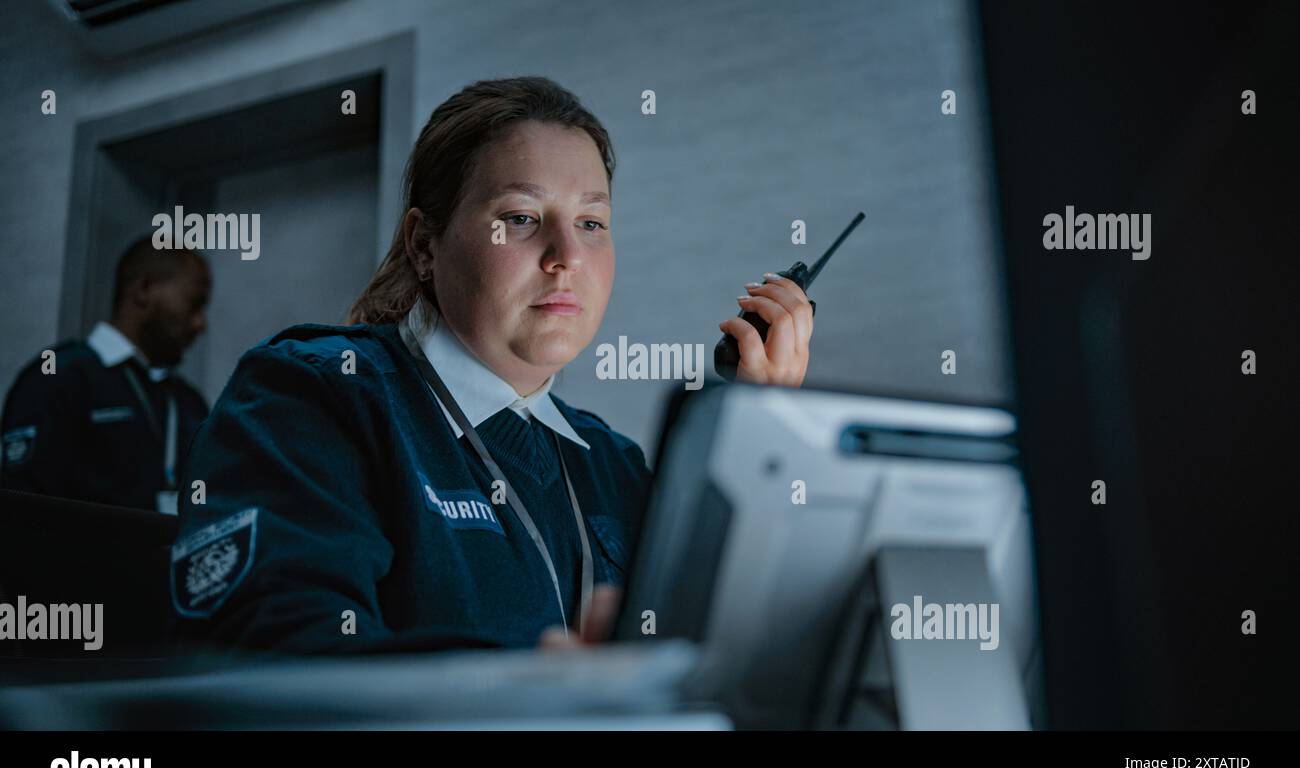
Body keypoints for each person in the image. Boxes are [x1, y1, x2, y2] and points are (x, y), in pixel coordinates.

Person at [170, 76, 813, 655]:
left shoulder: (615, 464)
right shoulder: (311, 394)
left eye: (592, 222)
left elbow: (728, 661)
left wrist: (754, 448)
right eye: (521, 217)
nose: (568, 256)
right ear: (425, 245)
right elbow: (275, 662)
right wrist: (534, 697)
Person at [1, 238, 211, 512]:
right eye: (194, 304)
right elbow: (20, 510)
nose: (200, 324)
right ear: (144, 290)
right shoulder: (58, 378)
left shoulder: (188, 401)